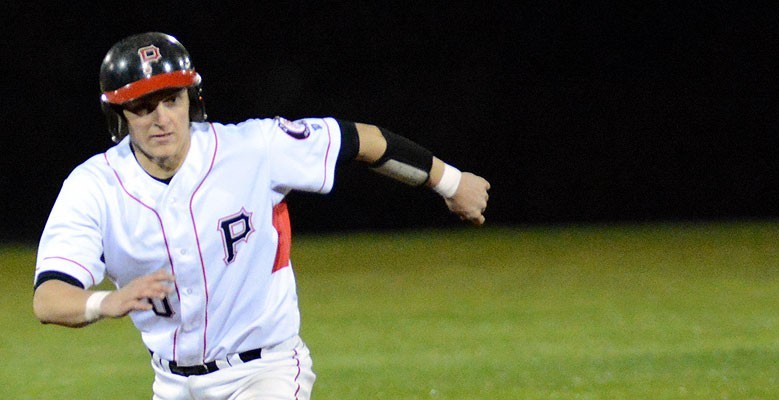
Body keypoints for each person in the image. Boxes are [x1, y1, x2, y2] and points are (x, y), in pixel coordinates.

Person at [32, 32, 490, 400]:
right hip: (171, 384)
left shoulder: (253, 149)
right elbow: (48, 299)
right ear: (118, 116)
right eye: (143, 107)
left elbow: (360, 141)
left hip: (265, 371)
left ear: (193, 98)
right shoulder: (94, 187)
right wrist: (102, 303)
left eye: (172, 99)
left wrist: (451, 183)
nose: (162, 118)